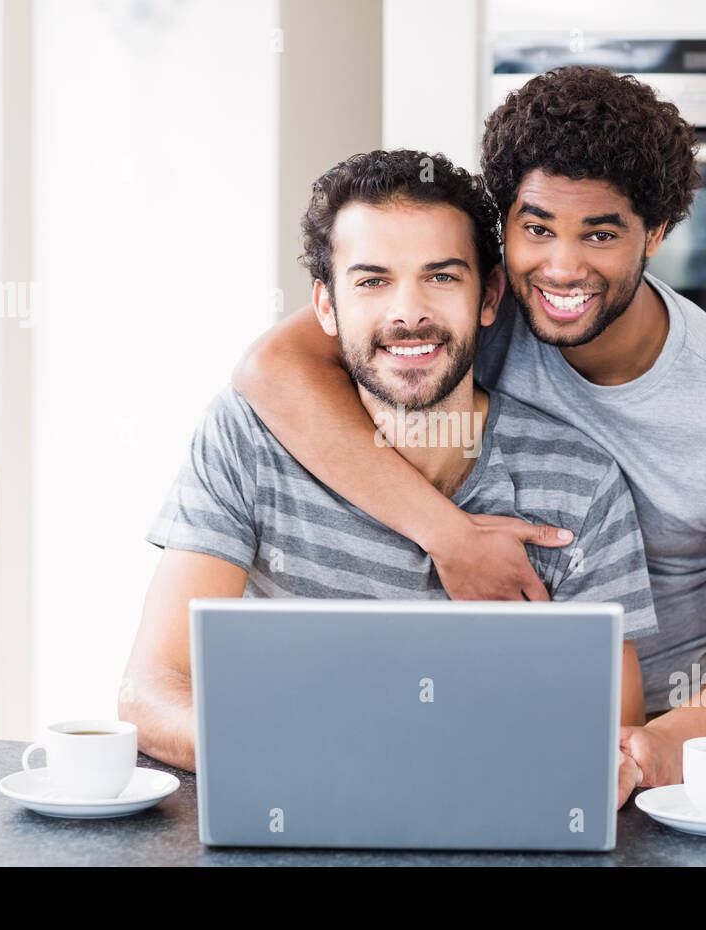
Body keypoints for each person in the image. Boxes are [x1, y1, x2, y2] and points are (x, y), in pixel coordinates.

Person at [231, 67, 706, 791]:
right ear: (503, 224)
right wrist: (447, 535)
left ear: (656, 234)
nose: (563, 267)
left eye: (601, 234)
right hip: (511, 717)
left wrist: (666, 742)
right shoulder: (475, 301)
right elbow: (271, 368)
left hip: (671, 727)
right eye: (537, 228)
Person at [122, 149, 658, 808]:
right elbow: (149, 693)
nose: (408, 313)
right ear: (325, 306)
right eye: (372, 280)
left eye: (440, 277)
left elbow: (612, 734)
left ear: (488, 297)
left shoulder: (580, 480)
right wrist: (318, 753)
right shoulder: (245, 438)